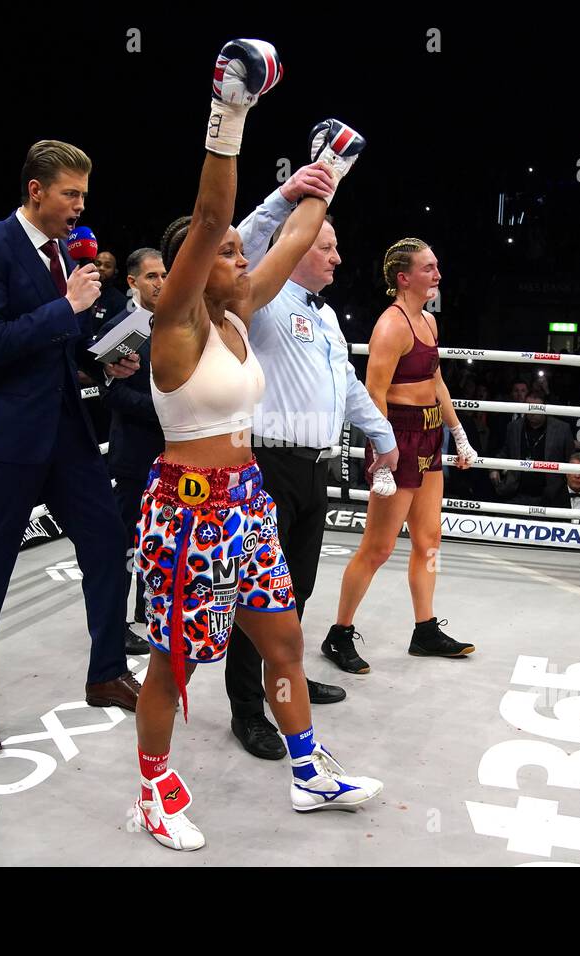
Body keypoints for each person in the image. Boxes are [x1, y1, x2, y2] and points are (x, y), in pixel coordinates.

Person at [130, 39, 381, 851]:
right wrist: (230, 111)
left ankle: (309, 774)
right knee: (177, 663)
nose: (243, 257)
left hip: (248, 502)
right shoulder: (173, 326)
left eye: (244, 252)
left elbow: (299, 231)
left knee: (284, 638)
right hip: (187, 511)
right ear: (190, 269)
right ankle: (152, 790)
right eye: (229, 253)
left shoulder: (239, 315)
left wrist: (327, 173)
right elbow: (209, 219)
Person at [0, 139, 143, 757]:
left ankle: (107, 671)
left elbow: (66, 340)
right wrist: (67, 307)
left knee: (109, 542)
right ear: (36, 191)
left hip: (67, 432)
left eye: (84, 195)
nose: (80, 207)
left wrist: (105, 362)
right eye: (70, 194)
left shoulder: (66, 254)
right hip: (5, 435)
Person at [222, 165, 398, 759]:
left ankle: (285, 684)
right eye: (327, 246)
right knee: (258, 598)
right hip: (266, 464)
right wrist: (286, 198)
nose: (337, 257)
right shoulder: (261, 302)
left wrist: (382, 435)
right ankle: (247, 708)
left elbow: (347, 385)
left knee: (295, 591)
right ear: (293, 249)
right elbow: (233, 252)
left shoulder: (323, 315)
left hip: (312, 468)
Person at [323, 236, 479, 674]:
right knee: (378, 547)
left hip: (430, 435)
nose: (438, 274)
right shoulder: (390, 326)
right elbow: (373, 393)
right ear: (403, 277)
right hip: (397, 436)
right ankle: (339, 633)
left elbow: (437, 381)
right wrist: (381, 454)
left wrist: (458, 432)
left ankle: (424, 628)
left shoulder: (428, 322)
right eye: (429, 268)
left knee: (430, 541)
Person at [97, 247, 168, 655]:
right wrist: (163, 409)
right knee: (125, 542)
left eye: (164, 275)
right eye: (151, 276)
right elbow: (111, 392)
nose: (160, 283)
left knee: (165, 539)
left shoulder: (180, 322)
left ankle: (151, 611)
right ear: (133, 283)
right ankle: (116, 624)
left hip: (173, 454)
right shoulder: (124, 327)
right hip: (134, 454)